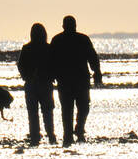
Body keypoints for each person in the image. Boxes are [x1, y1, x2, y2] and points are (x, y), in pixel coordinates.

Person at [49, 15, 102, 145]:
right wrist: (97, 72)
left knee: (74, 108)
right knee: (78, 107)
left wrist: (97, 72)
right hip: (74, 80)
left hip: (72, 80)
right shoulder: (73, 39)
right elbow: (51, 60)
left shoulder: (60, 39)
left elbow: (92, 57)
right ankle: (72, 131)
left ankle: (74, 131)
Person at [17, 22, 56, 145]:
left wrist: (26, 76)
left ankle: (34, 135)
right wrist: (52, 76)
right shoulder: (48, 48)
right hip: (45, 84)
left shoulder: (27, 48)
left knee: (33, 112)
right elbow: (54, 65)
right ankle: (50, 134)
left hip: (31, 84)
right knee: (48, 111)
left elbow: (21, 65)